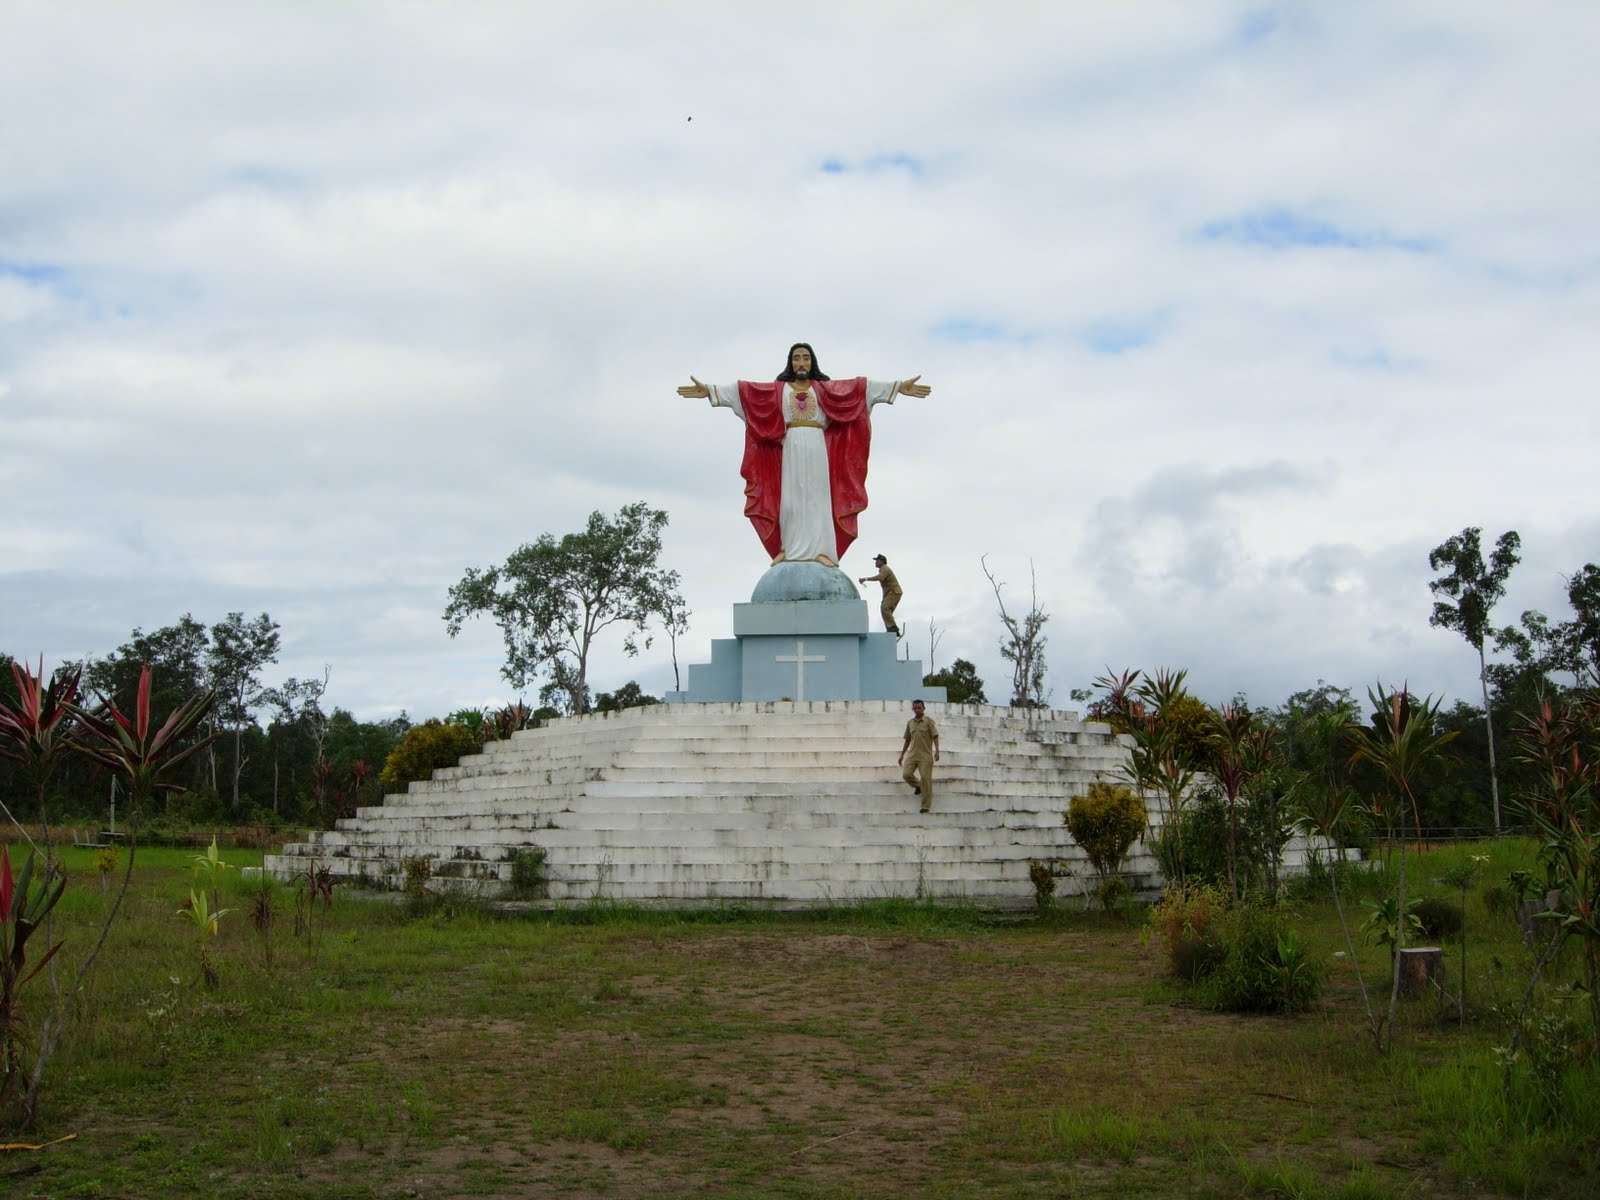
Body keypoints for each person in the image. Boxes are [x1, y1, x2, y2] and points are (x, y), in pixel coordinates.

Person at [677, 344, 931, 565]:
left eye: (806, 358)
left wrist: (898, 387)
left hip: (817, 445)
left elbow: (860, 388)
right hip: (791, 447)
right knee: (790, 498)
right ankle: (786, 549)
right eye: (797, 358)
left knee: (818, 497)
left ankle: (823, 551)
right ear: (791, 362)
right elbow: (745, 391)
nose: (801, 362)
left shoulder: (825, 390)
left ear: (812, 362)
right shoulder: (779, 390)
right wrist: (710, 391)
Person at [899, 699, 940, 813]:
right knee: (906, 774)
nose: (917, 710)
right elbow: (907, 739)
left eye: (919, 708)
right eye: (915, 708)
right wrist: (902, 754)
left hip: (925, 756)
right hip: (912, 755)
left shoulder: (928, 722)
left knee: (926, 779)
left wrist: (937, 751)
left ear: (923, 708)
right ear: (913, 709)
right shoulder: (910, 723)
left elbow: (935, 736)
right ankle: (918, 786)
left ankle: (925, 806)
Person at [858, 554, 903, 637]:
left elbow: (880, 577)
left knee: (884, 608)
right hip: (891, 593)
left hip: (894, 592)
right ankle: (891, 630)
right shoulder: (883, 569)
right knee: (886, 611)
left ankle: (893, 628)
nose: (876, 562)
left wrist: (865, 579)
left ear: (882, 561)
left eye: (877, 560)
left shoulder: (885, 568)